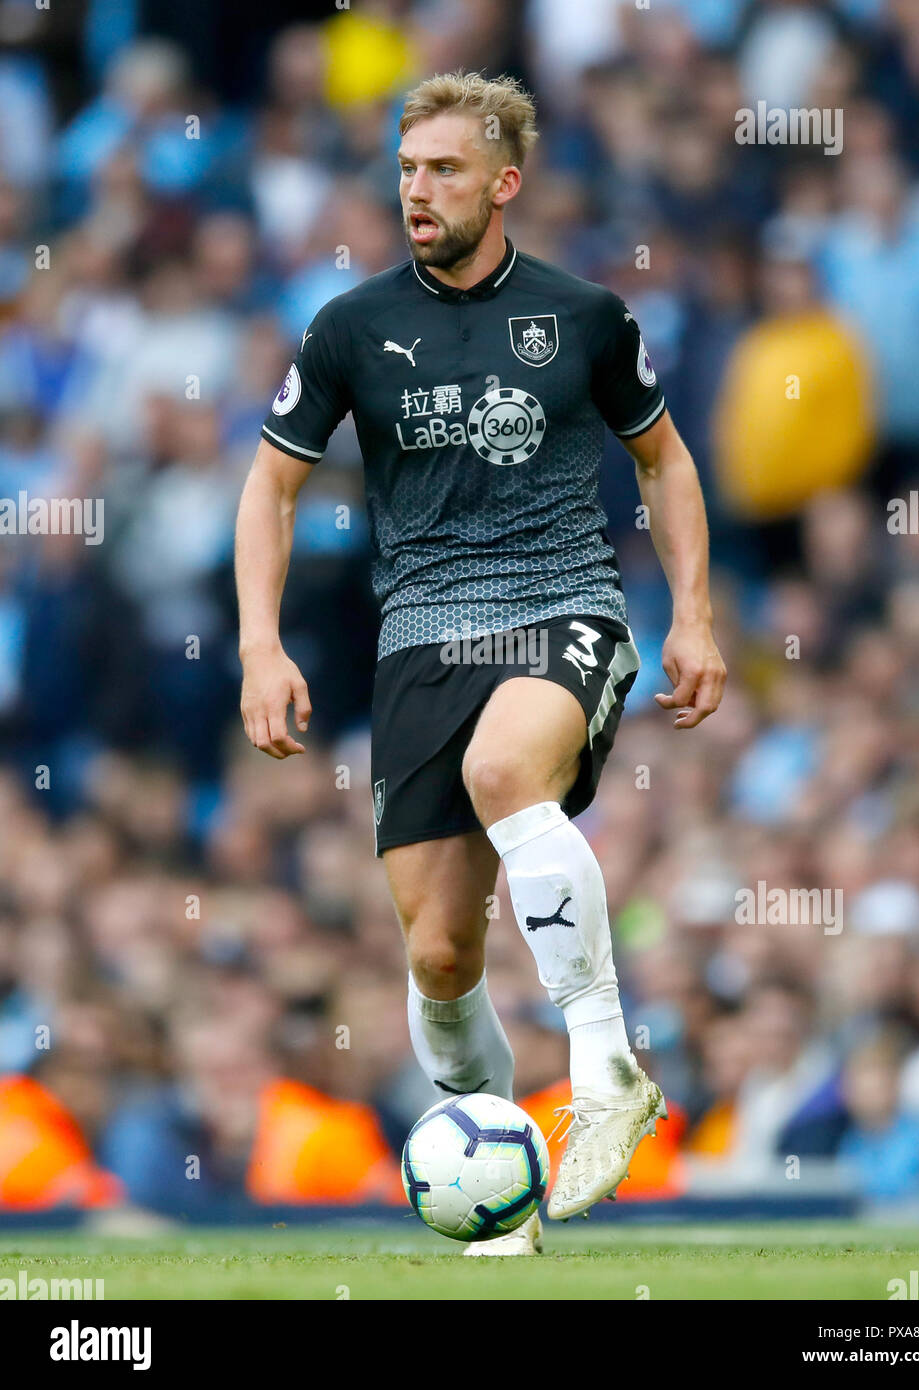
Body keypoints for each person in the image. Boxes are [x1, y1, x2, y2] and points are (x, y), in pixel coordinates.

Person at [234, 71, 726, 1254]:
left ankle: (607, 1070)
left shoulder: (588, 317)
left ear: (504, 182)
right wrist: (258, 641)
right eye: (407, 168)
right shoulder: (349, 325)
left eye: (444, 169)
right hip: (420, 643)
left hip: (564, 609)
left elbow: (664, 463)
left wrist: (695, 614)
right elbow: (272, 483)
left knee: (514, 772)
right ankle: (499, 1197)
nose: (417, 189)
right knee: (442, 956)